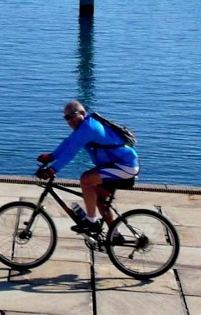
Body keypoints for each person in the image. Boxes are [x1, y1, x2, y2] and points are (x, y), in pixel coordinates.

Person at [37, 100, 138, 234]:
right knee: (99, 201)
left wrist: (53, 169)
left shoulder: (89, 128)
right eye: (66, 118)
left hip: (125, 166)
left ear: (83, 113)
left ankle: (91, 222)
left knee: (86, 179)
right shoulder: (84, 126)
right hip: (115, 165)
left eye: (72, 116)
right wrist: (51, 156)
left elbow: (71, 151)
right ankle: (115, 235)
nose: (70, 121)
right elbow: (68, 142)